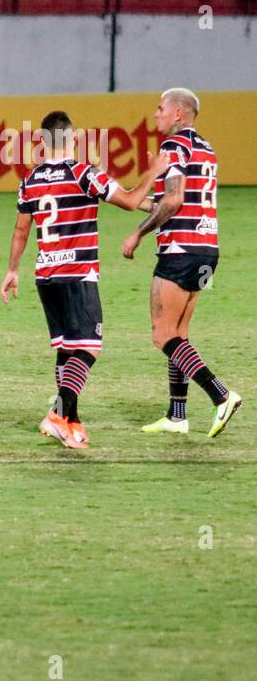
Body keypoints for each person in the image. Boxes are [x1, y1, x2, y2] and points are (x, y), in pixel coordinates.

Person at [1, 111, 169, 449]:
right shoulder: (83, 174)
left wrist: (12, 270)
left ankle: (71, 422)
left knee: (67, 349)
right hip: (77, 273)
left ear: (41, 142)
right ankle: (57, 413)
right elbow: (131, 201)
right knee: (89, 349)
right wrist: (154, 172)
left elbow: (21, 231)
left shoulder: (29, 180)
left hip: (45, 275)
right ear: (73, 138)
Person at [122, 87, 241, 437]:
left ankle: (221, 395)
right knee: (179, 335)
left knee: (162, 336)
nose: (155, 114)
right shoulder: (205, 148)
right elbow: (168, 202)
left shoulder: (173, 147)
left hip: (180, 250)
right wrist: (125, 197)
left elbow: (173, 201)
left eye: (160, 108)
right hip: (206, 250)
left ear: (177, 113)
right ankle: (177, 415)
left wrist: (138, 234)